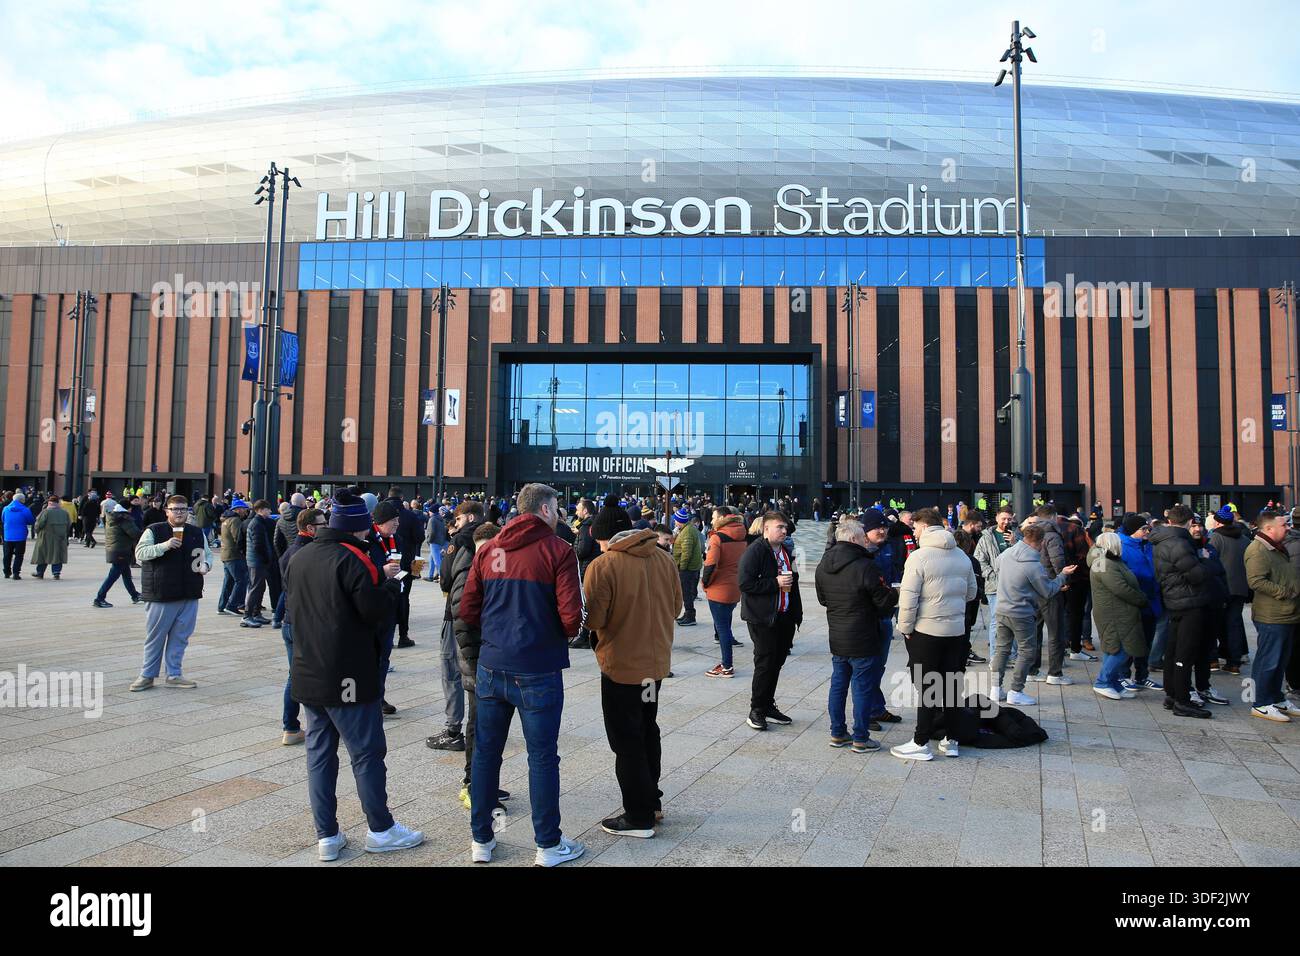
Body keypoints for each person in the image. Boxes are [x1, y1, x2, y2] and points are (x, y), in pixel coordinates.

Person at [283, 488, 424, 860]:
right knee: (366, 753)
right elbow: (373, 612)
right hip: (348, 674)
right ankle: (381, 828)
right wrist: (391, 587)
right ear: (359, 528)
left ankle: (326, 836)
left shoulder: (301, 556)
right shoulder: (354, 559)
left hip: (308, 672)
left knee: (319, 754)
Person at [460, 482, 585, 866]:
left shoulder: (490, 548)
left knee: (485, 754)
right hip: (538, 668)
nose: (560, 514)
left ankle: (481, 839)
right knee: (543, 757)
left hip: (492, 666)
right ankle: (547, 845)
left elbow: (467, 608)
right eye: (557, 508)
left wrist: (497, 633)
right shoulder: (559, 551)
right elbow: (570, 619)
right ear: (545, 510)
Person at [583, 517, 681, 839]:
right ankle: (651, 801)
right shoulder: (664, 558)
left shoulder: (603, 565)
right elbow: (678, 607)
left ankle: (638, 816)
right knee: (648, 728)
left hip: (621, 669)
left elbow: (593, 618)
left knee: (626, 740)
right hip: (653, 672)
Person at [890, 508, 978, 761]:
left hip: (926, 632)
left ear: (925, 527)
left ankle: (921, 742)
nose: (914, 533)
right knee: (951, 686)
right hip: (956, 632)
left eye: (915, 528)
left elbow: (908, 600)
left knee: (927, 687)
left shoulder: (918, 558)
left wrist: (905, 628)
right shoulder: (961, 555)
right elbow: (971, 593)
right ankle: (951, 740)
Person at [815, 517, 897, 753]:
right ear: (853, 539)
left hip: (838, 634)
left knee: (839, 684)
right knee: (861, 686)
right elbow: (882, 602)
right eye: (862, 537)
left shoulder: (824, 564)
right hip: (863, 634)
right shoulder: (865, 566)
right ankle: (861, 736)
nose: (866, 541)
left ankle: (838, 732)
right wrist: (893, 594)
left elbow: (822, 599)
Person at [447, 520, 511, 811]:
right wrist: (475, 664)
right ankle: (473, 785)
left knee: (484, 724)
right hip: (475, 660)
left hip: (480, 657)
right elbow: (463, 620)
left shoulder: (478, 562)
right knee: (479, 724)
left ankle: (482, 782)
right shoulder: (470, 567)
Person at [129, 495, 211, 692]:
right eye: (175, 509)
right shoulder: (154, 530)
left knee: (181, 637)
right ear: (167, 511)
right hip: (161, 592)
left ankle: (174, 674)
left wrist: (206, 565)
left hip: (190, 592)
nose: (179, 512)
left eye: (183, 509)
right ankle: (147, 675)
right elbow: (140, 554)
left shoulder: (196, 532)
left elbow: (205, 554)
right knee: (155, 636)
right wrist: (164, 546)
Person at [990, 522, 1075, 706]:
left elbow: (996, 566)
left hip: (1002, 608)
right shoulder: (1034, 565)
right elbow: (1047, 591)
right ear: (1040, 542)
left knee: (1002, 649)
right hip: (1021, 613)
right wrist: (1062, 575)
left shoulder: (1007, 554)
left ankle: (995, 689)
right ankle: (1016, 691)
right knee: (1027, 651)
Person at [739, 511, 804, 732]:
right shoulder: (756, 551)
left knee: (777, 662)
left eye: (785, 528)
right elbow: (745, 584)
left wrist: (797, 613)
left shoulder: (786, 551)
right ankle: (756, 709)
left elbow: (794, 583)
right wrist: (774, 582)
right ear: (766, 529)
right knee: (765, 663)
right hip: (762, 618)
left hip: (784, 616)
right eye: (779, 527)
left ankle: (768, 705)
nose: (784, 531)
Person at [428, 501, 484, 752]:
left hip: (456, 614)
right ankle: (478, 725)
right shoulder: (496, 538)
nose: (455, 525)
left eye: (458, 519)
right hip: (484, 617)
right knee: (474, 673)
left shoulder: (459, 541)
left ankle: (453, 730)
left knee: (451, 670)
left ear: (469, 518)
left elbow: (445, 580)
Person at [1150, 504, 1213, 718]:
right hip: (1188, 601)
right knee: (1184, 653)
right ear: (1188, 523)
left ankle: (1172, 694)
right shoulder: (1178, 544)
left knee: (1174, 650)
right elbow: (1196, 575)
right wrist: (1204, 559)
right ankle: (1182, 700)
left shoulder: (1162, 541)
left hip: (1174, 599)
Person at [1244, 509, 1300, 723]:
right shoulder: (1258, 550)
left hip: (1286, 614)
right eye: (1283, 525)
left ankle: (1275, 698)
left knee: (1281, 659)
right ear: (1268, 528)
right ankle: (1260, 703)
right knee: (1269, 659)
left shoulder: (1277, 547)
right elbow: (1256, 581)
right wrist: (1285, 592)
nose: (1287, 528)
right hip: (1272, 615)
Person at [277, 507, 324, 746]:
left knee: (294, 675)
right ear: (310, 528)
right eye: (322, 524)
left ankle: (292, 726)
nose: (326, 528)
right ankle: (295, 726)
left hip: (291, 620)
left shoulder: (291, 552)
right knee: (302, 675)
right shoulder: (308, 553)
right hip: (301, 623)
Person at [1089, 531, 1149, 700]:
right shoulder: (1105, 563)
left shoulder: (1107, 561)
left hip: (1116, 611)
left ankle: (1113, 683)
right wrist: (1142, 599)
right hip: (1116, 612)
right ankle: (1103, 682)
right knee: (1122, 649)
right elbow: (1120, 588)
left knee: (1113, 647)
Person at [1188, 514, 1231, 707]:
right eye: (1193, 526)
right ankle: (1187, 688)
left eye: (1199, 526)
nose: (1197, 529)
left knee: (1207, 650)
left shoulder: (1210, 547)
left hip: (1213, 605)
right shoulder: (1185, 548)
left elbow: (1219, 573)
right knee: (1188, 650)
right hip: (1192, 606)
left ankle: (1204, 686)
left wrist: (1223, 595)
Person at [1117, 514, 1163, 692]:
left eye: (1147, 528)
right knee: (1130, 642)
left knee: (1146, 641)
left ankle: (1142, 676)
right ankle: (1123, 675)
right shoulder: (1122, 547)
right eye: (1143, 529)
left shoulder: (1148, 546)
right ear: (1132, 531)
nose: (1147, 532)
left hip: (1151, 601)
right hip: (1133, 602)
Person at [703, 507, 748, 678]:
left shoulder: (717, 537)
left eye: (714, 517)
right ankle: (726, 663)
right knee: (725, 626)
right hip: (735, 587)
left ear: (722, 518)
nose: (712, 520)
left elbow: (710, 564)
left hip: (719, 588)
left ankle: (727, 666)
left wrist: (705, 583)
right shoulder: (743, 535)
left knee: (722, 629)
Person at [1208, 506, 1249, 674]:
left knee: (1214, 623)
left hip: (1220, 588)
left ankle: (1213, 660)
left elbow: (1209, 561)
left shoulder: (1215, 538)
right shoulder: (1244, 538)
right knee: (1234, 624)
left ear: (1218, 522)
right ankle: (1234, 662)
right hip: (1240, 588)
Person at [974, 506, 1017, 658]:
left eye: (1009, 519)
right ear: (997, 517)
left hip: (1014, 585)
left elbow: (1023, 556)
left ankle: (1012, 655)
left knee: (1014, 620)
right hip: (994, 585)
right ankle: (995, 656)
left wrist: (1015, 542)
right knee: (996, 621)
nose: (1006, 522)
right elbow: (979, 559)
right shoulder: (986, 537)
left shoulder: (1017, 536)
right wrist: (992, 575)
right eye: (1003, 518)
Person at [95, 500, 142, 607]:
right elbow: (134, 533)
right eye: (130, 508)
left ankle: (135, 595)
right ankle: (99, 598)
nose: (131, 510)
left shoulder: (113, 516)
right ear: (127, 508)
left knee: (126, 575)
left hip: (116, 549)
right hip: (121, 551)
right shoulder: (123, 518)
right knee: (113, 576)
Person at [217, 499, 250, 615]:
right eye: (244, 509)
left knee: (229, 582)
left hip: (226, 555)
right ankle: (232, 605)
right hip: (234, 555)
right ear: (238, 509)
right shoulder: (235, 520)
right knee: (241, 580)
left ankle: (222, 606)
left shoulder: (226, 520)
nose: (245, 512)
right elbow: (238, 538)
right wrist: (245, 550)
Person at [672, 506, 704, 626]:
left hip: (688, 569)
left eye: (675, 520)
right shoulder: (686, 529)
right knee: (687, 592)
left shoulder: (687, 532)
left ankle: (690, 615)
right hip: (690, 567)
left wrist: (682, 568)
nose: (674, 522)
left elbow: (686, 552)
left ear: (680, 521)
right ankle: (688, 613)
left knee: (686, 593)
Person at [31, 494, 70, 579]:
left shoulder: (45, 512)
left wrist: (36, 531)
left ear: (49, 502)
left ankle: (40, 572)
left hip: (46, 536)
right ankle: (56, 573)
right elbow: (68, 525)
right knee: (57, 555)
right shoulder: (64, 512)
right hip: (60, 537)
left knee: (43, 554)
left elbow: (39, 524)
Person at [2, 492, 34, 579]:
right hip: (21, 536)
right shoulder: (25, 510)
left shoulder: (5, 508)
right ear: (22, 500)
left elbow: (3, 519)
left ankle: (6, 572)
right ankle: (16, 573)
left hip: (8, 535)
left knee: (7, 554)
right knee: (19, 555)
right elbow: (31, 521)